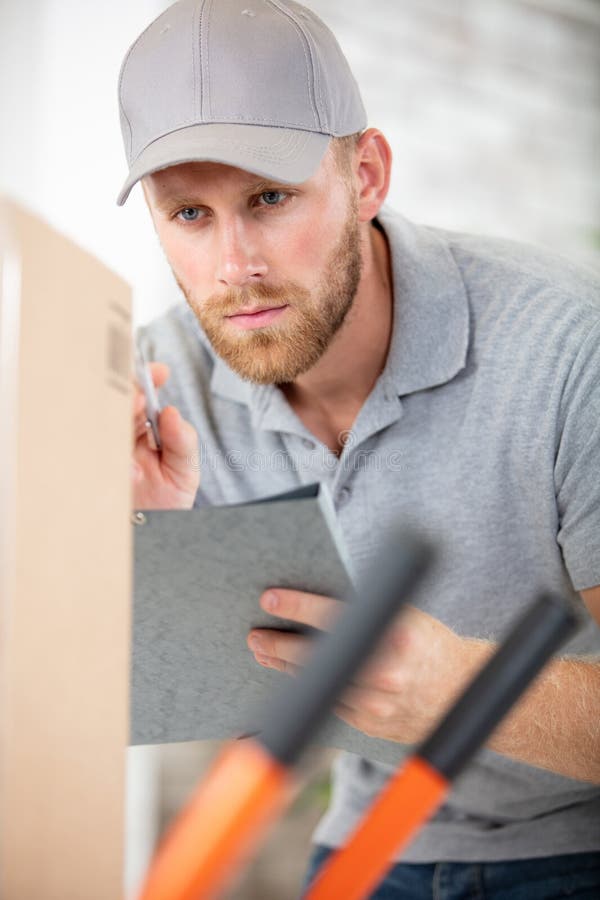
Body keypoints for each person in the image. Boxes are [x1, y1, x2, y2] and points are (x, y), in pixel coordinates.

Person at [121, 1, 600, 896]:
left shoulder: (569, 350)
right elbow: (208, 700)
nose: (235, 265)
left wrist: (462, 683)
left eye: (270, 198)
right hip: (376, 838)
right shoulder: (159, 386)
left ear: (367, 173)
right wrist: (152, 538)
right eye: (189, 214)